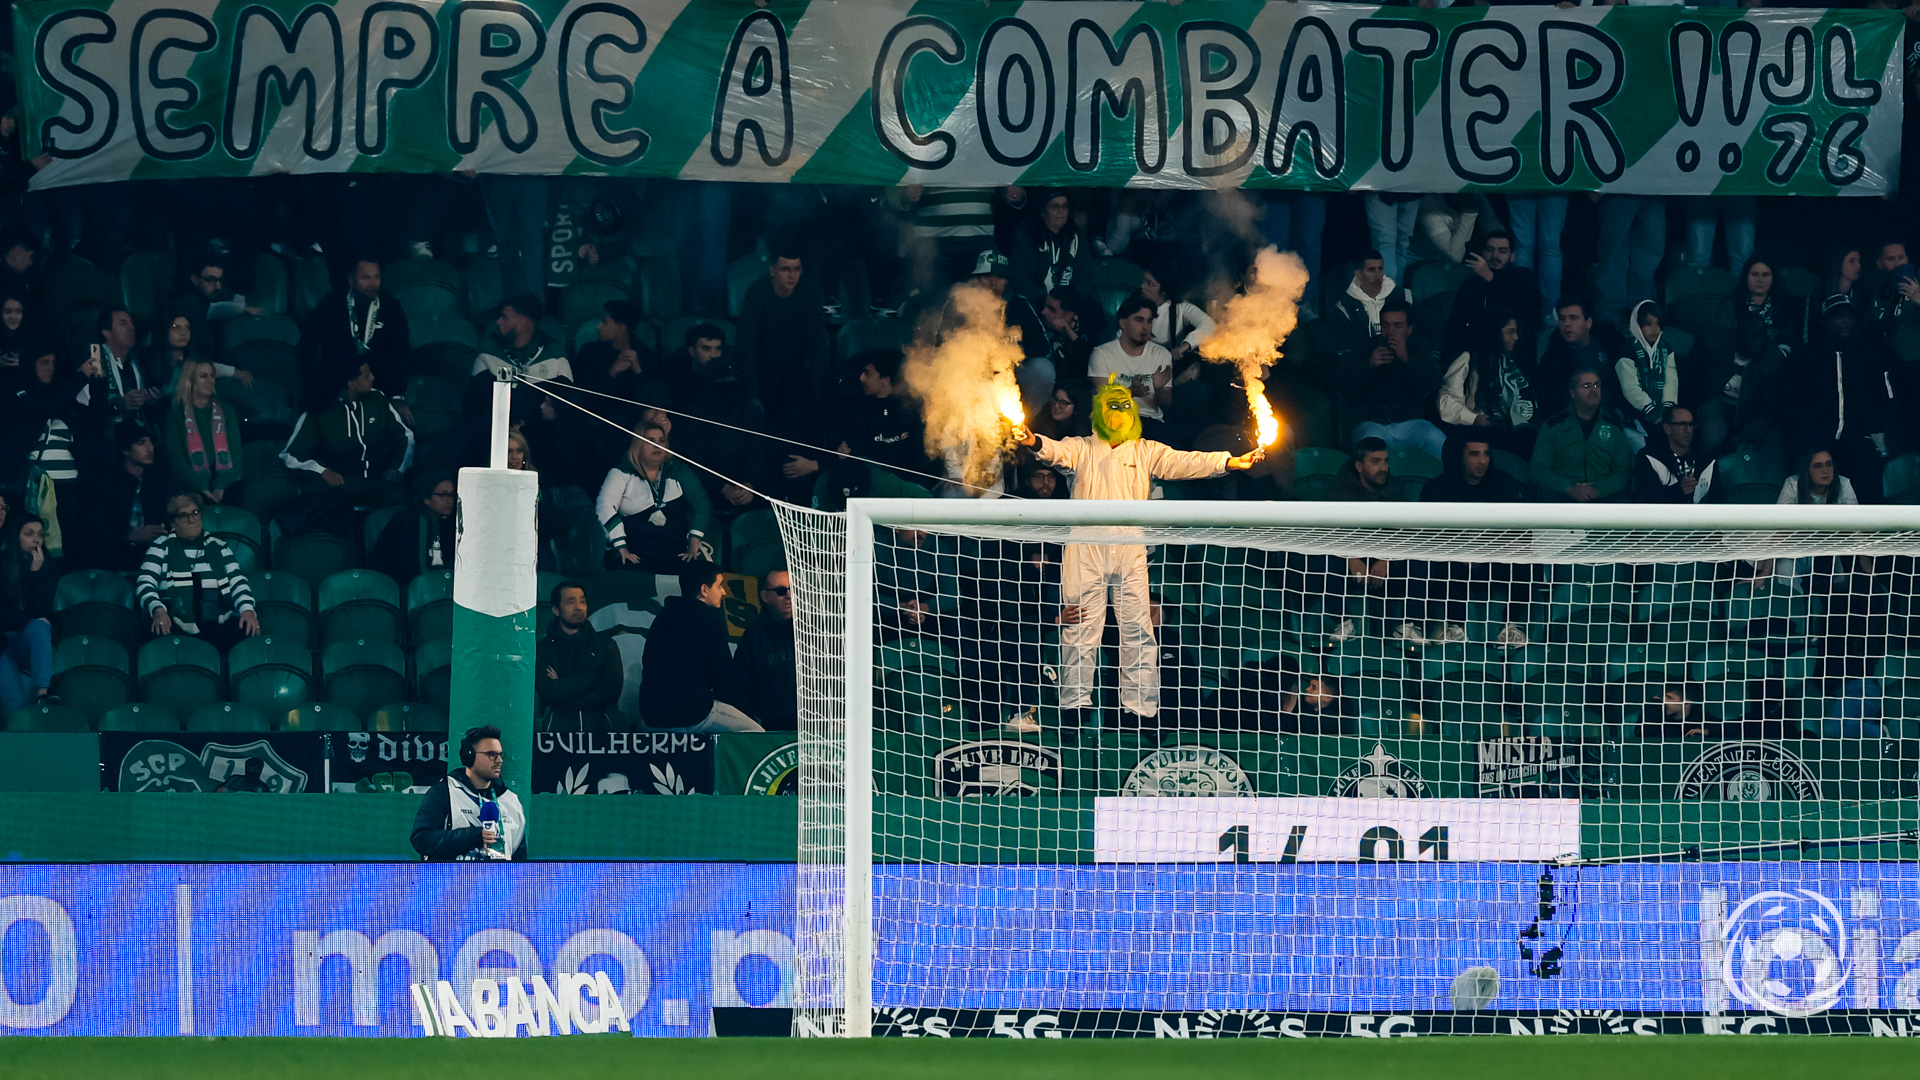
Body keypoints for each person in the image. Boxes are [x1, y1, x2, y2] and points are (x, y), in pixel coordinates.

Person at [1013, 375, 1261, 733]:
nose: (1117, 412)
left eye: (1123, 406)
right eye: (1111, 406)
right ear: (1099, 412)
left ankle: (1140, 709)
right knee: (1079, 627)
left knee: (1138, 629)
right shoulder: (1081, 447)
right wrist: (1032, 440)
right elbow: (1052, 450)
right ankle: (1074, 707)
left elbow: (1184, 462)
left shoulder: (1146, 451)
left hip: (1130, 549)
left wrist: (1229, 462)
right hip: (1085, 548)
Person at [1778, 295, 1899, 502]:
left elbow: (1888, 398)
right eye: (1839, 316)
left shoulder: (1870, 356)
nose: (1846, 320)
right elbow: (1787, 402)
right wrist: (1803, 435)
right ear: (1825, 322)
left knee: (1868, 491)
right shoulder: (1805, 357)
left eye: (1850, 316)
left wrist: (1872, 426)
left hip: (1858, 440)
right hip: (1815, 443)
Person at [639, 561, 764, 732]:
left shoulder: (661, 619)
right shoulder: (708, 621)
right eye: (719, 586)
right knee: (757, 735)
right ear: (704, 589)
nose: (723, 592)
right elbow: (723, 676)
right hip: (692, 713)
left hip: (652, 717)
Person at [280, 360, 415, 511]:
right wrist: (323, 471)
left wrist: (396, 468)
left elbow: (404, 437)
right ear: (352, 384)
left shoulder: (378, 399)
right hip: (341, 483)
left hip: (379, 480)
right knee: (316, 500)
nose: (372, 377)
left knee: (403, 498)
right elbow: (290, 455)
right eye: (366, 375)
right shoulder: (320, 411)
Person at [135, 494, 259, 649]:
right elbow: (145, 583)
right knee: (154, 628)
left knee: (247, 628)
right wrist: (157, 609)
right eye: (183, 515)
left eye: (195, 513)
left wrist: (247, 609)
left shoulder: (220, 547)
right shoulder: (160, 547)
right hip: (174, 621)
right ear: (173, 523)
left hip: (216, 621)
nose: (191, 519)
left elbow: (238, 582)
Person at [299, 258, 411, 412]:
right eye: (365, 277)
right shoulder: (331, 305)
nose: (372, 284)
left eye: (376, 277)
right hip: (336, 391)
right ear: (351, 280)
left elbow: (401, 353)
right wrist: (318, 390)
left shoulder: (392, 307)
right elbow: (307, 349)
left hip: (379, 389)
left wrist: (397, 396)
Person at [596, 424, 712, 572]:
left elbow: (701, 503)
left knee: (703, 574)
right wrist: (621, 546)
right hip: (634, 554)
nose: (657, 445)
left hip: (674, 552)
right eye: (650, 440)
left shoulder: (678, 470)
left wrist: (694, 540)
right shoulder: (620, 474)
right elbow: (604, 507)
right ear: (638, 445)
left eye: (661, 441)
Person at [1341, 299, 1445, 461]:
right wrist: (1369, 365)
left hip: (1410, 423)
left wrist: (1407, 359)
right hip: (1372, 423)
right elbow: (1344, 386)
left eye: (1397, 326)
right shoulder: (1366, 347)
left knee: (1437, 439)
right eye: (1385, 325)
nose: (1390, 332)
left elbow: (1430, 384)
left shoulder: (1418, 348)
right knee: (1368, 445)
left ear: (1408, 329)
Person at [733, 242, 829, 418]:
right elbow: (746, 345)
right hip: (762, 374)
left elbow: (818, 344)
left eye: (796, 269)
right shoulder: (757, 293)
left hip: (795, 372)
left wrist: (817, 392)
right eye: (785, 269)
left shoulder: (809, 293)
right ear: (772, 271)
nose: (792, 275)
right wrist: (752, 393)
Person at [410, 725, 527, 861]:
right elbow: (421, 839)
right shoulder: (444, 792)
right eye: (491, 754)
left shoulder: (511, 801)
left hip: (497, 875)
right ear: (469, 755)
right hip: (451, 874)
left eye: (500, 754)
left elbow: (520, 861)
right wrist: (473, 837)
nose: (499, 761)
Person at [1437, 308, 1540, 456]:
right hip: (1483, 434)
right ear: (1495, 334)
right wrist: (1474, 419)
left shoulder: (1515, 359)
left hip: (1519, 430)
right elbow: (1446, 400)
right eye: (1510, 332)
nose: (1516, 337)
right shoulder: (1469, 358)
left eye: (1516, 332)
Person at [80, 424, 176, 571]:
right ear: (126, 450)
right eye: (141, 443)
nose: (150, 448)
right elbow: (93, 525)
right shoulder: (106, 483)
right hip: (115, 555)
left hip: (154, 552)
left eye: (150, 442)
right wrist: (129, 534)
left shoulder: (158, 479)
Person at [1530, 367, 1633, 502]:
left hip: (1604, 496)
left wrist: (1599, 490)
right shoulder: (1553, 426)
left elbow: (1622, 472)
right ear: (1573, 393)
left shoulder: (1614, 427)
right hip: (1563, 495)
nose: (1593, 390)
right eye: (1586, 386)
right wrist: (1568, 488)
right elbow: (1538, 470)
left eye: (1597, 385)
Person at [834, 348, 934, 486]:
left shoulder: (913, 411)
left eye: (867, 373)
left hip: (908, 487)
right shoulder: (856, 409)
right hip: (868, 485)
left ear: (885, 380)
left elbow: (919, 458)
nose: (861, 378)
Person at [535, 581, 624, 732]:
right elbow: (549, 692)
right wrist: (594, 677)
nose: (578, 607)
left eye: (582, 601)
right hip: (557, 730)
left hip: (600, 729)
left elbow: (611, 692)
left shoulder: (605, 645)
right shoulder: (544, 648)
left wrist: (562, 687)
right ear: (556, 610)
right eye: (571, 602)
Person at [1088, 295, 1175, 437]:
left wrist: (1159, 388)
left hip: (1150, 422)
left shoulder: (1161, 354)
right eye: (1139, 320)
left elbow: (1166, 406)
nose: (1145, 327)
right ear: (1123, 323)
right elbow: (1102, 403)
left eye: (1149, 321)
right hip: (1114, 421)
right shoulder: (1102, 354)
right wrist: (1129, 392)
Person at [162, 358, 243, 505]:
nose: (210, 380)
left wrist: (220, 486)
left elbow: (235, 452)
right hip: (190, 487)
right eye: (203, 376)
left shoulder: (227, 411)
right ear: (189, 380)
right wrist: (202, 487)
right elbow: (176, 460)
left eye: (212, 375)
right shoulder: (175, 414)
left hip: (226, 486)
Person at [0, 513, 56, 715]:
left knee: (40, 626)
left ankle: (43, 693)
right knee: (15, 700)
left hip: (25, 640)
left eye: (40, 534)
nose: (36, 540)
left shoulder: (46, 566)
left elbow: (41, 611)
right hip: (2, 642)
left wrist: (35, 574)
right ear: (16, 536)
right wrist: (26, 619)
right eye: (29, 534)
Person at [1449, 230, 1539, 351]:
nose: (1495, 256)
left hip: (1516, 346)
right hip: (1479, 348)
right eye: (1490, 250)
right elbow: (1457, 322)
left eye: (1502, 251)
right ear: (1483, 253)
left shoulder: (1523, 276)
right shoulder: (1471, 284)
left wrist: (1491, 277)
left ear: (1512, 256)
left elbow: (1524, 306)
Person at [732, 568, 797, 731]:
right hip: (773, 725)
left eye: (793, 589)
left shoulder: (813, 629)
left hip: (817, 721)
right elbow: (741, 684)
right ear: (765, 596)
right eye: (781, 591)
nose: (789, 595)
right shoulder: (753, 636)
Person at [367, 472, 457, 584]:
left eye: (452, 495)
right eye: (443, 495)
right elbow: (413, 568)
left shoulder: (447, 523)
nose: (450, 500)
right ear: (426, 498)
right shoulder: (407, 523)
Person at [1614, 300, 1680, 450]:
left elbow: (1671, 381)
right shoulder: (1627, 349)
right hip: (1633, 413)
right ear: (1637, 325)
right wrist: (1650, 410)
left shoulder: (1666, 349)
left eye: (1658, 324)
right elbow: (1630, 387)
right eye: (1648, 324)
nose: (1654, 329)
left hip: (1660, 412)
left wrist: (1667, 408)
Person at [1536, 297, 1624, 408]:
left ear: (1588, 322)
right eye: (1562, 318)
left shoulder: (1607, 342)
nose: (1566, 323)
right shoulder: (1552, 359)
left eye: (1573, 318)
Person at [1011, 190, 1094, 299]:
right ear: (1043, 211)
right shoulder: (1026, 237)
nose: (1061, 211)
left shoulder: (1076, 237)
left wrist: (1071, 300)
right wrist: (1046, 301)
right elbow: (1021, 278)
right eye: (1055, 206)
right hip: (1036, 302)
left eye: (1064, 206)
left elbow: (1086, 277)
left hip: (1070, 304)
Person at [1325, 251, 1410, 351]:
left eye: (1380, 269)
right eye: (1371, 270)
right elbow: (1344, 350)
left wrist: (1407, 356)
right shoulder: (1344, 308)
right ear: (1358, 274)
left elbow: (1422, 334)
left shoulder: (1403, 296)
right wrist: (1369, 358)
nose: (1377, 275)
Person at [1632, 407, 1718, 504]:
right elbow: (1645, 499)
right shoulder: (1648, 457)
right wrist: (1678, 490)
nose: (1688, 430)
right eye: (1682, 425)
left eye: (1691, 424)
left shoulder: (1706, 459)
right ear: (1667, 428)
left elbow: (1718, 497)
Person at [1423, 435, 1527, 503]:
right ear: (1460, 457)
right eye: (1474, 454)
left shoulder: (1504, 484)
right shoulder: (1436, 489)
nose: (1483, 461)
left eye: (1486, 454)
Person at [1778, 448, 1859, 505]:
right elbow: (1780, 518)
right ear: (1807, 470)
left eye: (1829, 465)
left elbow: (1855, 519)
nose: (1825, 471)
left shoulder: (1844, 483)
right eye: (1818, 466)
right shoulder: (1793, 484)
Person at [1334, 437, 1403, 502]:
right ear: (1359, 466)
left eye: (1386, 461)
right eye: (1375, 461)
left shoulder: (1396, 489)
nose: (1384, 468)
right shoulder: (1338, 492)